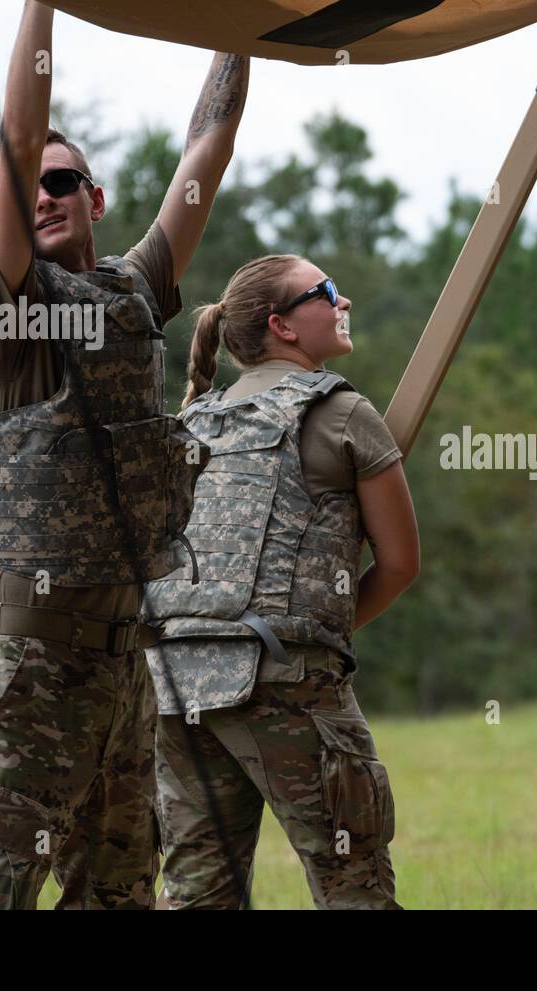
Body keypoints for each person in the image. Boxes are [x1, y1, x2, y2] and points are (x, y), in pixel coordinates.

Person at [0, 1, 248, 909]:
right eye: (24, 183)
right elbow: (22, 133)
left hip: (126, 668)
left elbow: (208, 151)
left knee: (118, 894)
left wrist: (249, 25)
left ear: (95, 200)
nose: (42, 194)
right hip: (31, 659)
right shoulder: (8, 303)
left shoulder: (133, 288)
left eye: (63, 182)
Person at [143, 255, 419, 909]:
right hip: (288, 679)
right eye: (325, 292)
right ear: (282, 326)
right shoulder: (344, 410)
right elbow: (401, 563)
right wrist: (315, 632)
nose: (342, 298)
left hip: (172, 684)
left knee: (198, 892)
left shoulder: (192, 422)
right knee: (354, 885)